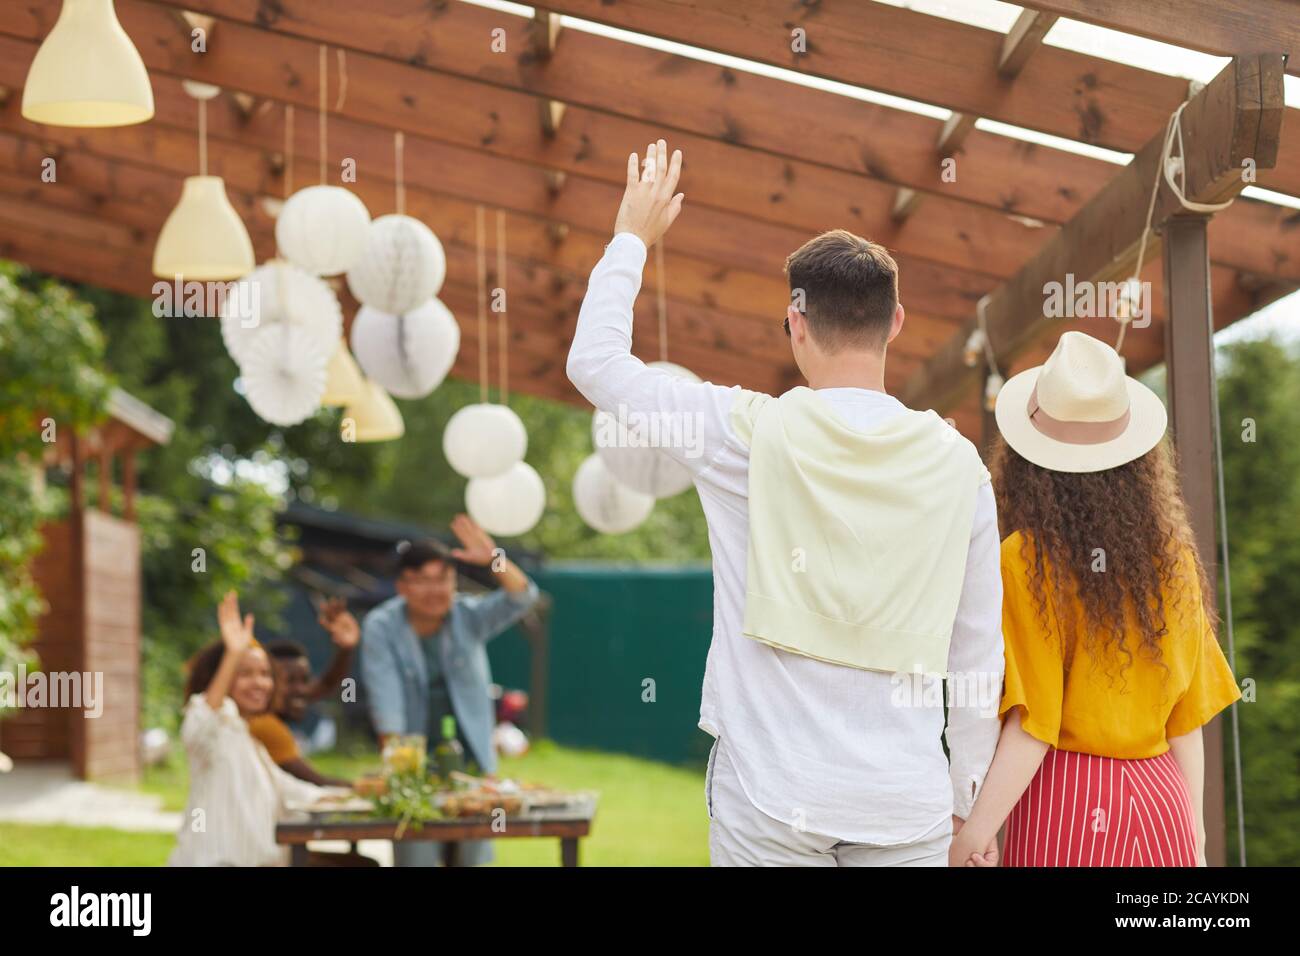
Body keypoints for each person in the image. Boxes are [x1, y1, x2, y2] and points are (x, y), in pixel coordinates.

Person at [567, 140, 1003, 866]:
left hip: (769, 792)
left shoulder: (741, 432)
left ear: (796, 322)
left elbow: (596, 363)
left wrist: (630, 240)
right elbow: (977, 650)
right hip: (906, 804)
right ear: (896, 322)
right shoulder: (961, 467)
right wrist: (969, 803)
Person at [949, 331, 1242, 867]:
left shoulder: (1025, 561)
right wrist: (1195, 835)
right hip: (1163, 800)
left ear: (1027, 460)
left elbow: (1032, 727)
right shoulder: (1171, 560)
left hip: (1066, 801)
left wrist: (972, 833)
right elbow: (1186, 718)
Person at [360, 514, 540, 867]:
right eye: (422, 581)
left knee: (474, 854)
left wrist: (494, 559)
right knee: (418, 855)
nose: (435, 590)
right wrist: (402, 778)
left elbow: (524, 597)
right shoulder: (381, 627)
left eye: (443, 579)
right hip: (412, 763)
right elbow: (386, 702)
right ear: (402, 586)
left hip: (471, 760)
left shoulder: (468, 615)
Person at [169, 591, 360, 867]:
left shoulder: (249, 742)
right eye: (244, 674)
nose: (259, 683)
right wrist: (233, 653)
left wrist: (361, 794)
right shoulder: (218, 732)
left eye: (264, 674)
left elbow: (299, 792)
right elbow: (201, 721)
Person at [248, 597, 360, 787]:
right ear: (266, 684)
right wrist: (371, 788)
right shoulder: (265, 725)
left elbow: (324, 686)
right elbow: (318, 783)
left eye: (304, 680)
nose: (301, 689)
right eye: (289, 681)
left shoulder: (268, 715)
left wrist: (345, 649)